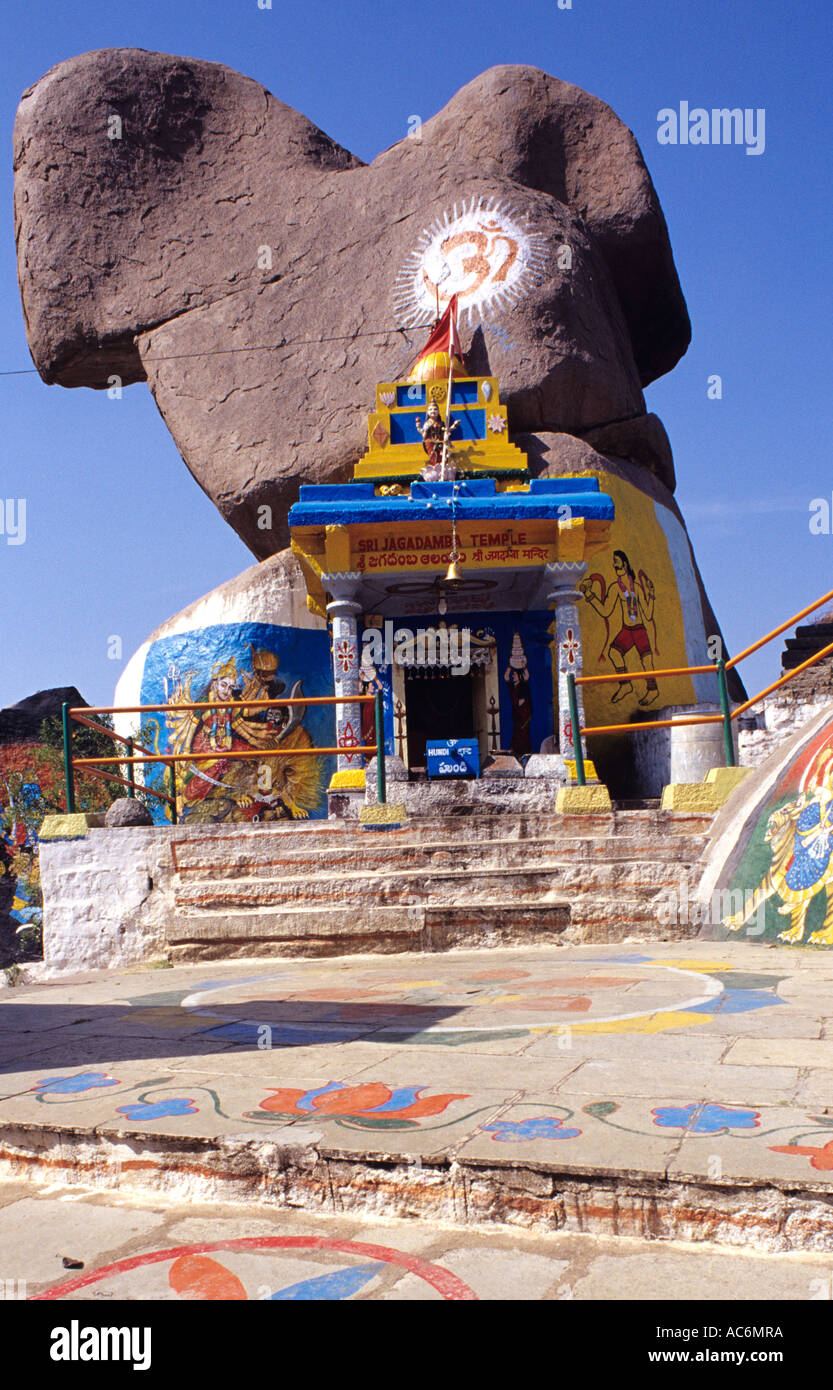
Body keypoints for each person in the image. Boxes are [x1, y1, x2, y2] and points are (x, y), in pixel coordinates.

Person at [581, 550, 659, 706]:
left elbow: (648, 614)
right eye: (613, 562)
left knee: (647, 661)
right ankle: (625, 684)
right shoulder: (615, 588)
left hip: (639, 629)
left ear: (625, 563)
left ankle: (653, 690)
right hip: (627, 630)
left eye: (616, 561)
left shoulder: (636, 587)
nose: (614, 564)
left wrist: (650, 595)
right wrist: (590, 595)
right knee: (614, 653)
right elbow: (605, 611)